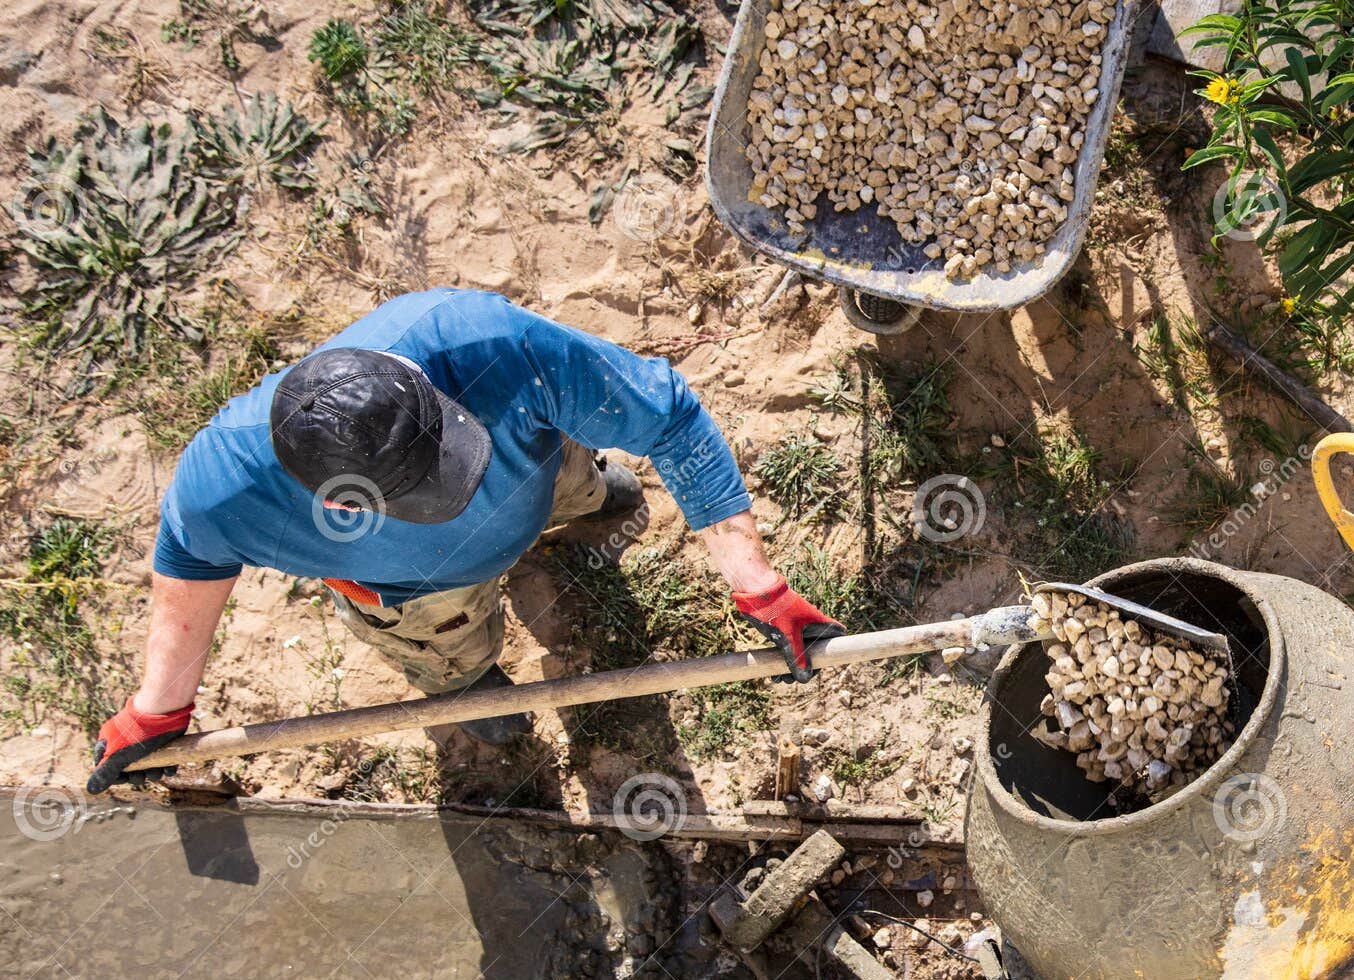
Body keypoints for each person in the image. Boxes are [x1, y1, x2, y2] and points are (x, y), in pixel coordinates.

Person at [86, 287, 842, 793]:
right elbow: (188, 566)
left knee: (586, 483)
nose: (456, 491)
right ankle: (465, 679)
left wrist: (758, 584)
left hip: (538, 472)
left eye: (447, 449)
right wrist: (159, 709)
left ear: (415, 381)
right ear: (329, 496)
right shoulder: (226, 486)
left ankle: (576, 504)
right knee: (448, 647)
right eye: (425, 494)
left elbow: (671, 416)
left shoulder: (489, 341)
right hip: (419, 594)